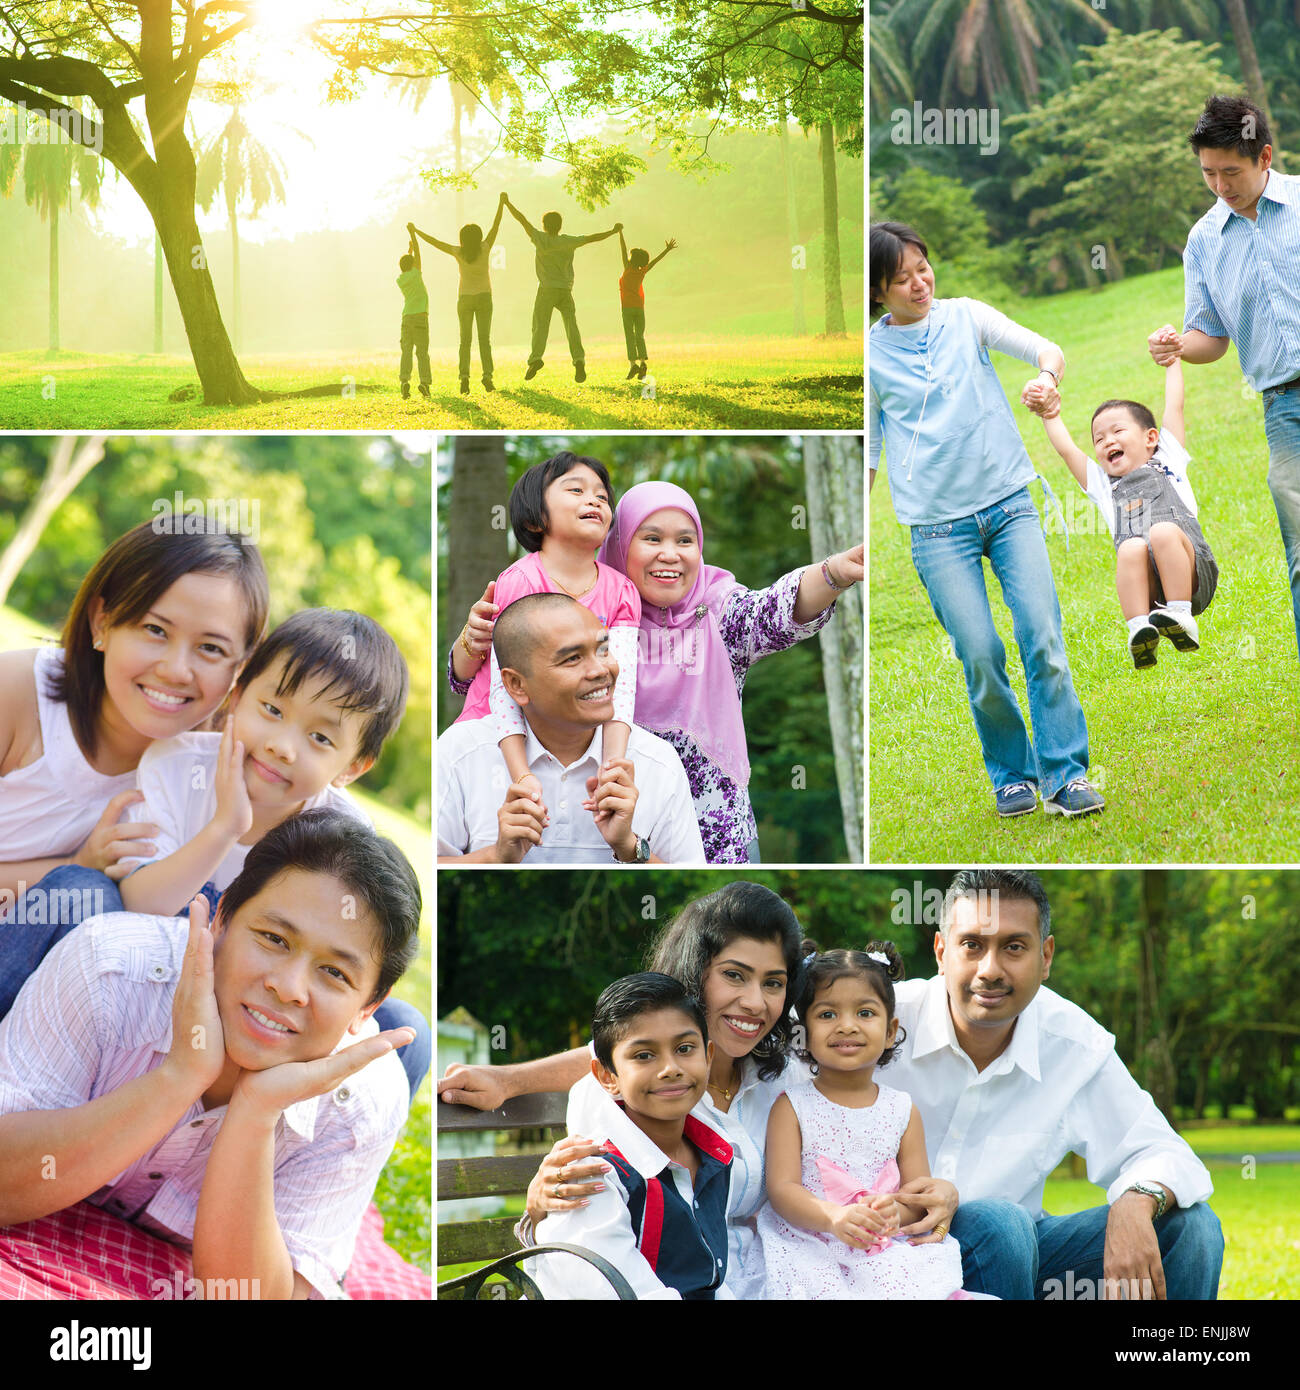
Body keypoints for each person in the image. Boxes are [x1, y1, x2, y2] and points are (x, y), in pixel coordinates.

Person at [437, 881, 957, 1296]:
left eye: (773, 983)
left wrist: (940, 1191)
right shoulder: (645, 1094)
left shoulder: (788, 1075)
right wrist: (512, 1090)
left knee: (992, 1231)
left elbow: (873, 1008)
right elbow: (614, 1060)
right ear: (694, 975)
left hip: (804, 1270)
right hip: (690, 1283)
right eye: (735, 976)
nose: (755, 1002)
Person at [0, 608, 431, 1101]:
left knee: (405, 1030)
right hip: (147, 958)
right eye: (272, 710)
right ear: (237, 695)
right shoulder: (178, 765)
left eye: (320, 738)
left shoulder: (340, 834)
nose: (283, 746)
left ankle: (249, 1146)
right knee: (79, 892)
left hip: (252, 982)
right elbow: (138, 906)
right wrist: (225, 826)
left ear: (352, 766)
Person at [0, 809, 421, 1299]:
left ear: (368, 1006)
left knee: (415, 1037)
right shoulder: (109, 968)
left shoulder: (365, 1099)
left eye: (334, 973)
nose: (288, 988)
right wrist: (180, 1075)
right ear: (221, 919)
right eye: (273, 939)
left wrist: (256, 1112)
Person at [454, 478, 862, 863]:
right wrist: (467, 643)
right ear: (620, 546)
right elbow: (488, 682)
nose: (671, 554)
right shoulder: (585, 620)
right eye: (651, 539)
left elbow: (774, 610)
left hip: (716, 833)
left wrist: (833, 574)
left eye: (685, 540)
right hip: (610, 821)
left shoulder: (718, 610)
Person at [891, 870, 1223, 1301]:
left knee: (1191, 1227)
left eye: (1014, 947)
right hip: (885, 1250)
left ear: (1045, 956)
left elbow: (1165, 1152)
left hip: (1020, 1258)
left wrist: (1134, 1202)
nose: (990, 970)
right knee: (1000, 1223)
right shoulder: (875, 1022)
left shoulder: (1073, 1044)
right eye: (972, 945)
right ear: (941, 951)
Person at [870, 220, 1103, 820]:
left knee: (1042, 637)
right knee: (979, 652)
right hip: (937, 530)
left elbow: (1046, 349)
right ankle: (1011, 775)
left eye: (924, 269)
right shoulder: (868, 358)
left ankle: (1066, 775)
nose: (920, 284)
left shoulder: (967, 316)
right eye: (903, 279)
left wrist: (1047, 379)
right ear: (878, 293)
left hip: (1009, 505)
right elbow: (867, 450)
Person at [0, 517, 268, 911]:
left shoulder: (214, 776)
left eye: (211, 648)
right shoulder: (18, 695)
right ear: (102, 621)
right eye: (155, 630)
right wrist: (75, 867)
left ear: (240, 669)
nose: (176, 670)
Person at [1150, 94, 1300, 656]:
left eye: (1230, 172)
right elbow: (1209, 338)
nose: (1219, 186)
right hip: (1284, 408)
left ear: (1264, 157)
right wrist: (1176, 345)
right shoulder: (1203, 242)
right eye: (1208, 174)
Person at [751, 942, 972, 1299]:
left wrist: (893, 1213)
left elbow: (917, 1194)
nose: (847, 1026)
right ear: (803, 1033)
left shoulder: (902, 1110)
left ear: (889, 1031)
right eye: (827, 1015)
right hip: (813, 1243)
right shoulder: (792, 1106)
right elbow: (782, 1189)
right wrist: (833, 1217)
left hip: (883, 1246)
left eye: (865, 1013)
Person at [437, 595, 704, 864]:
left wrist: (628, 845)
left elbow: (692, 878)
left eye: (603, 650)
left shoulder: (658, 762)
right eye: (573, 658)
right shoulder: (461, 752)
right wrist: (496, 857)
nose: (601, 670)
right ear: (516, 684)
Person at [447, 452, 639, 820]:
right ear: (536, 518)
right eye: (576, 490)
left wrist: (611, 767)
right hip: (497, 737)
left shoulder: (622, 591)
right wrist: (522, 774)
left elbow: (623, 685)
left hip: (571, 737)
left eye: (602, 496)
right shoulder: (520, 582)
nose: (595, 500)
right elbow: (504, 691)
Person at [532, 973, 734, 1300]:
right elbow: (618, 1291)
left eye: (685, 1048)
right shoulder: (593, 1173)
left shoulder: (716, 1153)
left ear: (708, 1057)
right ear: (607, 1076)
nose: (670, 1068)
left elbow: (711, 1281)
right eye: (643, 1055)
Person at [1028, 357, 1218, 667]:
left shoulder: (1168, 459)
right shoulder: (1104, 485)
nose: (1107, 441)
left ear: (1150, 438)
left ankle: (1181, 616)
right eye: (1099, 439)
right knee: (1131, 546)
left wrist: (1172, 362)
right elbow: (1067, 450)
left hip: (1193, 575)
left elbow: (1175, 406)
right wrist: (1049, 414)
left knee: (1162, 531)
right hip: (1151, 593)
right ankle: (1140, 631)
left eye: (1117, 431)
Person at [503, 196, 620, 382]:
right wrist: (613, 231)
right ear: (560, 225)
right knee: (571, 325)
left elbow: (522, 220)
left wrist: (508, 203)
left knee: (540, 326)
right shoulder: (568, 241)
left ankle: (535, 359)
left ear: (544, 225)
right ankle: (579, 360)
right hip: (565, 290)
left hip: (546, 289)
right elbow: (592, 238)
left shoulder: (539, 238)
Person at [408, 193, 506, 394]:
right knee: (484, 339)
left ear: (462, 239)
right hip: (484, 297)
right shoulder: (485, 248)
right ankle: (487, 376)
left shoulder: (458, 252)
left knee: (465, 341)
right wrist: (501, 203)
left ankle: (464, 378)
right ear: (479, 237)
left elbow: (435, 242)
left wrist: (415, 231)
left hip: (465, 299)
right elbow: (496, 226)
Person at [616, 231, 677, 380]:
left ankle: (633, 365)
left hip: (627, 308)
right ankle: (643, 362)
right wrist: (667, 250)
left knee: (630, 336)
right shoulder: (642, 271)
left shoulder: (627, 269)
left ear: (632, 259)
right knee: (639, 336)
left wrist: (620, 233)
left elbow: (623, 249)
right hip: (639, 308)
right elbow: (655, 261)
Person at [396, 227, 431, 399]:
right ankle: (424, 383)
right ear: (413, 264)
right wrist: (413, 233)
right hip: (420, 317)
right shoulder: (417, 273)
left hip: (406, 317)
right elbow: (418, 251)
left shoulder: (401, 279)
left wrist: (408, 251)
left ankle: (404, 381)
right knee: (422, 353)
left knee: (406, 351)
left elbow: (406, 264)